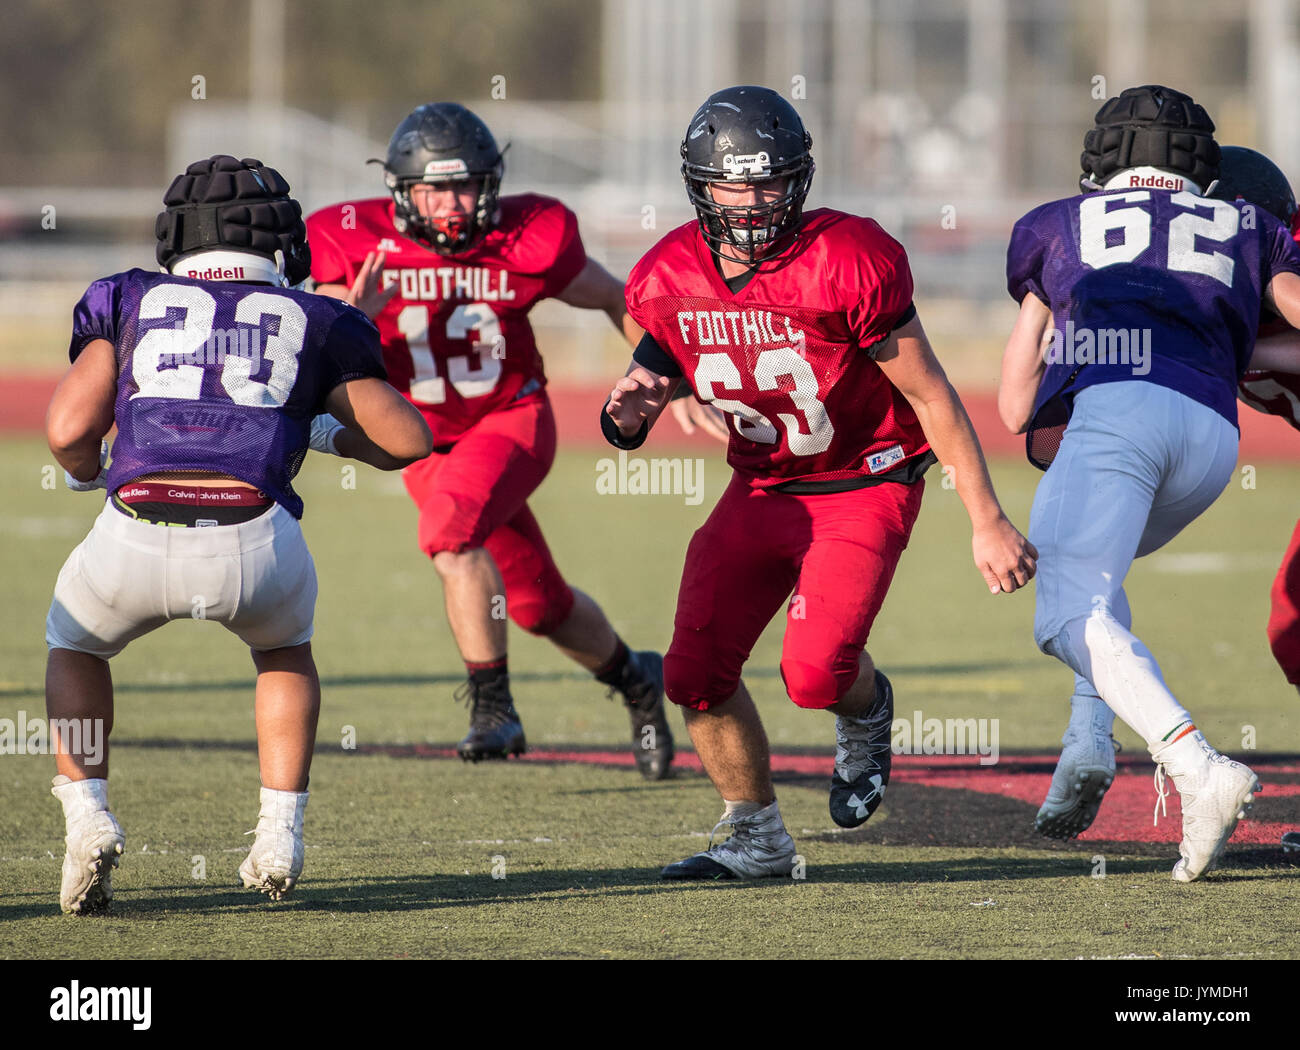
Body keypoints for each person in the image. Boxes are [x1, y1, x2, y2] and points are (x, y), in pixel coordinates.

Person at [604, 85, 1036, 879]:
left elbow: (930, 392)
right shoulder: (666, 270)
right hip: (762, 488)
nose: (756, 200)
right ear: (702, 185)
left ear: (799, 178)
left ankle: (866, 714)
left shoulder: (848, 258)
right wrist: (625, 414)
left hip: (863, 481)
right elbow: (652, 371)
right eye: (737, 182)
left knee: (814, 674)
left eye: (772, 180)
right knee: (693, 675)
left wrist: (986, 517)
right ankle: (756, 836)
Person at [44, 155, 432, 913]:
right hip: (256, 540)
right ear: (283, 240)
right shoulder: (319, 317)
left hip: (135, 527)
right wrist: (323, 418)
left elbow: (66, 428)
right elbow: (409, 441)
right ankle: (277, 832)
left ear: (173, 237)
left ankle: (88, 811)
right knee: (283, 650)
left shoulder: (126, 296)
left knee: (77, 643)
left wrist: (92, 469)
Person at [307, 103, 676, 777]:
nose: (452, 204)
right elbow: (323, 356)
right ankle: (637, 679)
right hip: (424, 444)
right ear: (402, 192)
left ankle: (493, 708)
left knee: (449, 537)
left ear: (492, 184)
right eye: (435, 188)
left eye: (465, 185)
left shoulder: (527, 236)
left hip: (510, 420)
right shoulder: (352, 241)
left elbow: (611, 297)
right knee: (539, 604)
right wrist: (352, 320)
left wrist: (665, 375)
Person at [999, 87, 1300, 880]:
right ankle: (1088, 740)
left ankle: (1196, 765)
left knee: (1064, 607)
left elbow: (1014, 403)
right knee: (1092, 577)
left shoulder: (1056, 223)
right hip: (1210, 444)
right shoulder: (1249, 223)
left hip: (1119, 414)